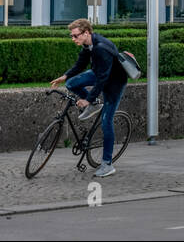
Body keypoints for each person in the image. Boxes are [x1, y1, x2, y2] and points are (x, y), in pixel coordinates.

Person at [50, 18, 128, 178]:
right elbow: (80, 64)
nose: (73, 39)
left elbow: (103, 79)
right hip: (100, 73)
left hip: (114, 83)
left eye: (75, 36)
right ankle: (94, 105)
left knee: (106, 123)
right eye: (71, 36)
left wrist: (88, 99)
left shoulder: (101, 48)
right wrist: (64, 77)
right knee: (71, 84)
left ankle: (107, 164)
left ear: (86, 32)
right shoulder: (88, 44)